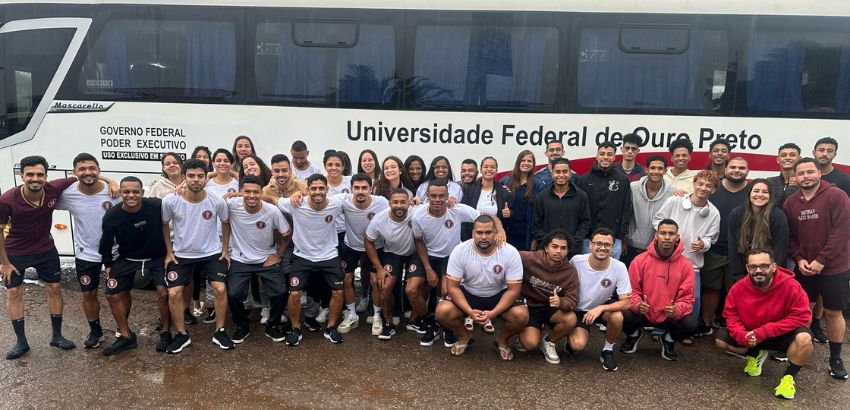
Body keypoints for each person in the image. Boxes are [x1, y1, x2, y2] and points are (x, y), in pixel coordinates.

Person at [1, 156, 80, 359]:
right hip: (15, 252)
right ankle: (21, 342)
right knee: (14, 293)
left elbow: (79, 175)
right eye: (30, 174)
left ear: (46, 176)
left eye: (40, 174)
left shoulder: (53, 189)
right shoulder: (7, 200)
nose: (35, 178)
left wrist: (110, 182)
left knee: (54, 288)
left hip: (45, 249)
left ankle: (57, 336)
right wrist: (5, 263)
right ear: (22, 176)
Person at [409, 179, 501, 346]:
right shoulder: (418, 215)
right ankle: (430, 323)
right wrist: (428, 268)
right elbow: (419, 241)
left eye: (441, 196)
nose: (437, 199)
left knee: (445, 289)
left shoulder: (457, 210)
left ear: (448, 196)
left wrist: (500, 230)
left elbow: (488, 218)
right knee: (411, 289)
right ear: (427, 196)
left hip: (450, 256)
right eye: (433, 196)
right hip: (426, 254)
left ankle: (447, 326)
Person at [715, 248, 813, 400]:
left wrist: (765, 331)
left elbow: (802, 317)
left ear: (773, 266)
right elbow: (731, 317)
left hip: (781, 335)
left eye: (764, 266)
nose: (758, 270)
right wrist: (743, 336)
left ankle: (788, 378)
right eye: (753, 267)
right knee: (721, 340)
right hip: (752, 335)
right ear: (747, 268)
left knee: (804, 339)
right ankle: (755, 354)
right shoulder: (737, 288)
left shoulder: (792, 286)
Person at [783, 157, 850, 379]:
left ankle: (835, 358)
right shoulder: (791, 203)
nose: (806, 176)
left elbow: (842, 231)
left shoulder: (836, 195)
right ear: (796, 177)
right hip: (806, 267)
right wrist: (799, 259)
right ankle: (799, 350)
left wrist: (822, 259)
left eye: (810, 172)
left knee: (833, 312)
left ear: (819, 173)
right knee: (804, 309)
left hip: (835, 266)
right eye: (801, 173)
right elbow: (790, 237)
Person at [161, 159, 232, 353]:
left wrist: (225, 249)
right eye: (191, 176)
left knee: (219, 288)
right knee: (174, 292)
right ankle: (182, 335)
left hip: (211, 252)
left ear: (206, 178)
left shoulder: (216, 200)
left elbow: (226, 223)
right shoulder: (171, 200)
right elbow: (164, 224)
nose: (196, 180)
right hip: (182, 254)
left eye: (200, 176)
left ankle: (220, 330)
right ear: (184, 178)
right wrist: (169, 251)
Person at [268, 174, 347, 346]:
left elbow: (360, 196)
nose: (318, 192)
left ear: (327, 189)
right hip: (302, 255)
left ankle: (331, 327)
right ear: (307, 190)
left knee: (338, 292)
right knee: (295, 293)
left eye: (321, 188)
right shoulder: (296, 203)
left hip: (329, 255)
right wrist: (238, 195)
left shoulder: (337, 203)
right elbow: (270, 198)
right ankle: (296, 329)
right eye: (314, 188)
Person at [436, 215, 528, 359]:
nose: (483, 237)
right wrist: (469, 311)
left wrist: (493, 313)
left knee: (521, 316)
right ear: (473, 233)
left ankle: (502, 341)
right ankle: (464, 336)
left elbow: (514, 290)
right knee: (442, 312)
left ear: (496, 233)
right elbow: (452, 287)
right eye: (479, 232)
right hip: (469, 293)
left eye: (488, 232)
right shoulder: (460, 250)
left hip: (499, 294)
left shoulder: (510, 252)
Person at [55, 153, 121, 349]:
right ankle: (96, 331)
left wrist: (111, 181)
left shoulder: (113, 192)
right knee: (89, 294)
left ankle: (122, 328)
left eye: (92, 168)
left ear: (99, 170)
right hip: (86, 254)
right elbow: (45, 200)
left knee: (118, 294)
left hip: (115, 253)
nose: (87, 172)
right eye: (82, 169)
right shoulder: (68, 194)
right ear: (74, 172)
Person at [99, 176, 170, 356]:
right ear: (121, 193)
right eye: (126, 192)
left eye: (135, 192)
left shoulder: (155, 205)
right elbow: (105, 244)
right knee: (112, 294)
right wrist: (107, 264)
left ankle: (166, 331)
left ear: (142, 193)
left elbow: (177, 205)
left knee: (164, 292)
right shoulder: (112, 216)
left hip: (156, 257)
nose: (131, 195)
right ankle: (126, 336)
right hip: (128, 258)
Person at [652, 170, 721, 344]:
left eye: (708, 186)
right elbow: (657, 220)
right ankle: (660, 326)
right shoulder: (674, 201)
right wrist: (666, 236)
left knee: (694, 298)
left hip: (692, 262)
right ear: (694, 183)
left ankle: (685, 330)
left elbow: (711, 238)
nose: (703, 188)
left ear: (713, 190)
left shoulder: (713, 213)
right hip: (668, 259)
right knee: (664, 295)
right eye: (700, 184)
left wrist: (703, 244)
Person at [224, 175, 291, 345]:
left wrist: (278, 255)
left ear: (262, 192)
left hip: (266, 257)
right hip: (240, 258)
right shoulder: (231, 205)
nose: (251, 195)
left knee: (281, 292)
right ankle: (241, 325)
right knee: (232, 294)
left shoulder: (271, 210)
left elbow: (287, 233)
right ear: (241, 192)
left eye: (256, 192)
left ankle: (273, 325)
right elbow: (206, 201)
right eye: (247, 191)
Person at [621, 219, 697, 361]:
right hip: (643, 313)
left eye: (671, 233)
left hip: (668, 315)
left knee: (691, 324)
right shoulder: (640, 260)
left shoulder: (686, 265)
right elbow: (630, 291)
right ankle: (633, 335)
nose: (667, 237)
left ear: (677, 237)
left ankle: (668, 339)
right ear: (656, 235)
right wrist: (637, 305)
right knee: (619, 314)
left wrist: (677, 309)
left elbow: (687, 298)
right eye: (663, 233)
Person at [328, 174, 390, 334]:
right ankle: (352, 314)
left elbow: (398, 211)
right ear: (351, 189)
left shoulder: (381, 202)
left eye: (364, 188)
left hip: (376, 246)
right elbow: (320, 202)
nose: (360, 191)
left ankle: (376, 315)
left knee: (375, 281)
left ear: (370, 189)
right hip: (351, 246)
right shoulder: (343, 200)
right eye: (357, 188)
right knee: (346, 279)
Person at [563, 228, 631, 371]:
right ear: (590, 245)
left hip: (601, 308)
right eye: (598, 243)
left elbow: (626, 302)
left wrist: (600, 308)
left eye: (607, 245)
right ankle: (571, 340)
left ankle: (607, 350)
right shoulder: (576, 261)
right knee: (577, 345)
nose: (602, 247)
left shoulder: (619, 267)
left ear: (613, 247)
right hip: (579, 311)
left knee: (617, 317)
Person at [699, 157, 750, 335]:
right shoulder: (714, 189)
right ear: (726, 169)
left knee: (736, 293)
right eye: (733, 167)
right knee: (711, 288)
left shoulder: (753, 192)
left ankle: (732, 329)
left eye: (741, 168)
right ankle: (705, 324)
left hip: (741, 252)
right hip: (714, 249)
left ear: (748, 171)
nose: (737, 170)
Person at [517, 229, 579, 365]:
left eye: (563, 248)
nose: (558, 251)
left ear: (568, 251)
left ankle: (549, 342)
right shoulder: (528, 258)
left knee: (570, 319)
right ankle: (522, 334)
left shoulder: (570, 272)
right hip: (529, 308)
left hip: (551, 308)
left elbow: (573, 300)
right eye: (554, 246)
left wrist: (561, 302)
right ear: (546, 247)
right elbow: (508, 255)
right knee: (530, 344)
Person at [365, 188, 417, 340]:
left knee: (417, 286)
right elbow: (368, 241)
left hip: (415, 253)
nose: (399, 205)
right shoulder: (380, 219)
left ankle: (416, 319)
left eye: (403, 202)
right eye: (395, 202)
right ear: (389, 203)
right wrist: (379, 268)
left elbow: (434, 208)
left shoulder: (417, 212)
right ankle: (388, 323)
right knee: (385, 288)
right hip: (392, 253)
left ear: (409, 203)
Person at [727, 179, 789, 289]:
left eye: (765, 192)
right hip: (743, 270)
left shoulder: (778, 216)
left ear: (770, 196)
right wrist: (739, 277)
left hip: (769, 273)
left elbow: (780, 250)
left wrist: (771, 276)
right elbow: (732, 247)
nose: (760, 195)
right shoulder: (737, 214)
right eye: (756, 191)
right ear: (749, 193)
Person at [577, 141, 632, 260]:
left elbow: (626, 209)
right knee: (588, 272)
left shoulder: (622, 181)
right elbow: (579, 210)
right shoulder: (584, 180)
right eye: (602, 154)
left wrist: (620, 236)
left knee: (609, 276)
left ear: (614, 157)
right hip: (589, 239)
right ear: (597, 156)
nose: (605, 157)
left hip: (613, 240)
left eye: (609, 154)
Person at [530, 158, 591, 255]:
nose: (561, 175)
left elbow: (585, 222)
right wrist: (549, 243)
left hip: (572, 251)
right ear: (552, 174)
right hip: (547, 252)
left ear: (570, 173)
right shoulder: (541, 197)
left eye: (565, 171)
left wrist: (572, 242)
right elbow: (536, 225)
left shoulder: (581, 196)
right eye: (557, 172)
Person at [625, 156, 674, 265]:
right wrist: (623, 239)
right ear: (646, 170)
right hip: (630, 247)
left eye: (660, 168)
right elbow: (624, 214)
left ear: (665, 171)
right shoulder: (632, 188)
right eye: (652, 168)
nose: (656, 172)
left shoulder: (673, 192)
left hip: (656, 250)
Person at [460, 156, 512, 241]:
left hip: (496, 240)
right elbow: (463, 215)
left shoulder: (503, 191)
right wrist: (466, 239)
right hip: (473, 239)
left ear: (496, 170)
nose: (489, 169)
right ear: (480, 170)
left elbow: (511, 219)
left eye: (492, 167)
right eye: (486, 167)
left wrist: (509, 214)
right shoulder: (471, 190)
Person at [500, 150, 538, 251]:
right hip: (507, 231)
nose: (526, 163)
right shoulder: (506, 181)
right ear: (518, 162)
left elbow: (539, 213)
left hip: (526, 234)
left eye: (529, 161)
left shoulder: (537, 184)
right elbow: (497, 203)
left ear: (533, 164)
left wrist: (535, 238)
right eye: (523, 160)